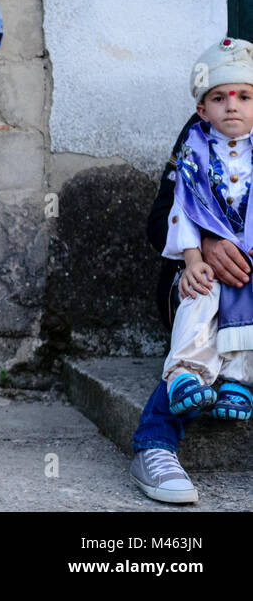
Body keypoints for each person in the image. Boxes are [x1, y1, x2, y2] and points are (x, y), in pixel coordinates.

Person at [130, 37, 253, 504]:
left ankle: (237, 384)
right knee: (211, 291)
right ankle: (156, 441)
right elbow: (163, 215)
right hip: (204, 278)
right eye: (223, 98)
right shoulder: (209, 127)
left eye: (243, 97)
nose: (232, 106)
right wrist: (206, 243)